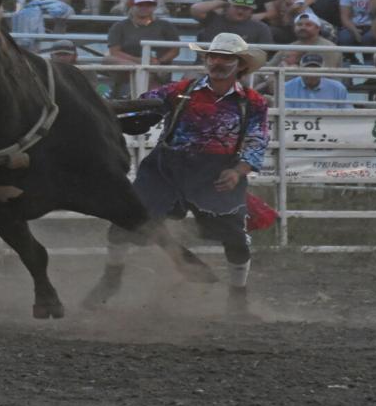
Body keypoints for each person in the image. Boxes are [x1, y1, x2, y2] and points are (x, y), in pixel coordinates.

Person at [82, 33, 269, 317]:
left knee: (236, 238)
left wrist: (238, 170)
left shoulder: (253, 103)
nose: (217, 62)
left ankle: (238, 298)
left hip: (217, 171)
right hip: (167, 167)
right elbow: (142, 106)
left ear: (239, 65)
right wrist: (101, 111)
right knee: (124, 221)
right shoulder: (180, 91)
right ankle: (111, 279)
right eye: (213, 56)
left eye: (226, 58)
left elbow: (257, 141)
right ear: (206, 59)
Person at [192, 0, 273, 48]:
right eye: (237, 7)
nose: (240, 11)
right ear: (227, 7)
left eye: (245, 8)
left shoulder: (261, 28)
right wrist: (222, 3)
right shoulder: (212, 19)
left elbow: (263, 53)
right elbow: (196, 9)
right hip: (207, 64)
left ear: (251, 11)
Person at [280, 52, 351, 108]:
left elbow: (348, 114)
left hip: (330, 125)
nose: (311, 73)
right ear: (300, 69)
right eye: (308, 69)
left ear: (323, 70)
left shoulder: (338, 88)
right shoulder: (286, 87)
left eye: (315, 69)